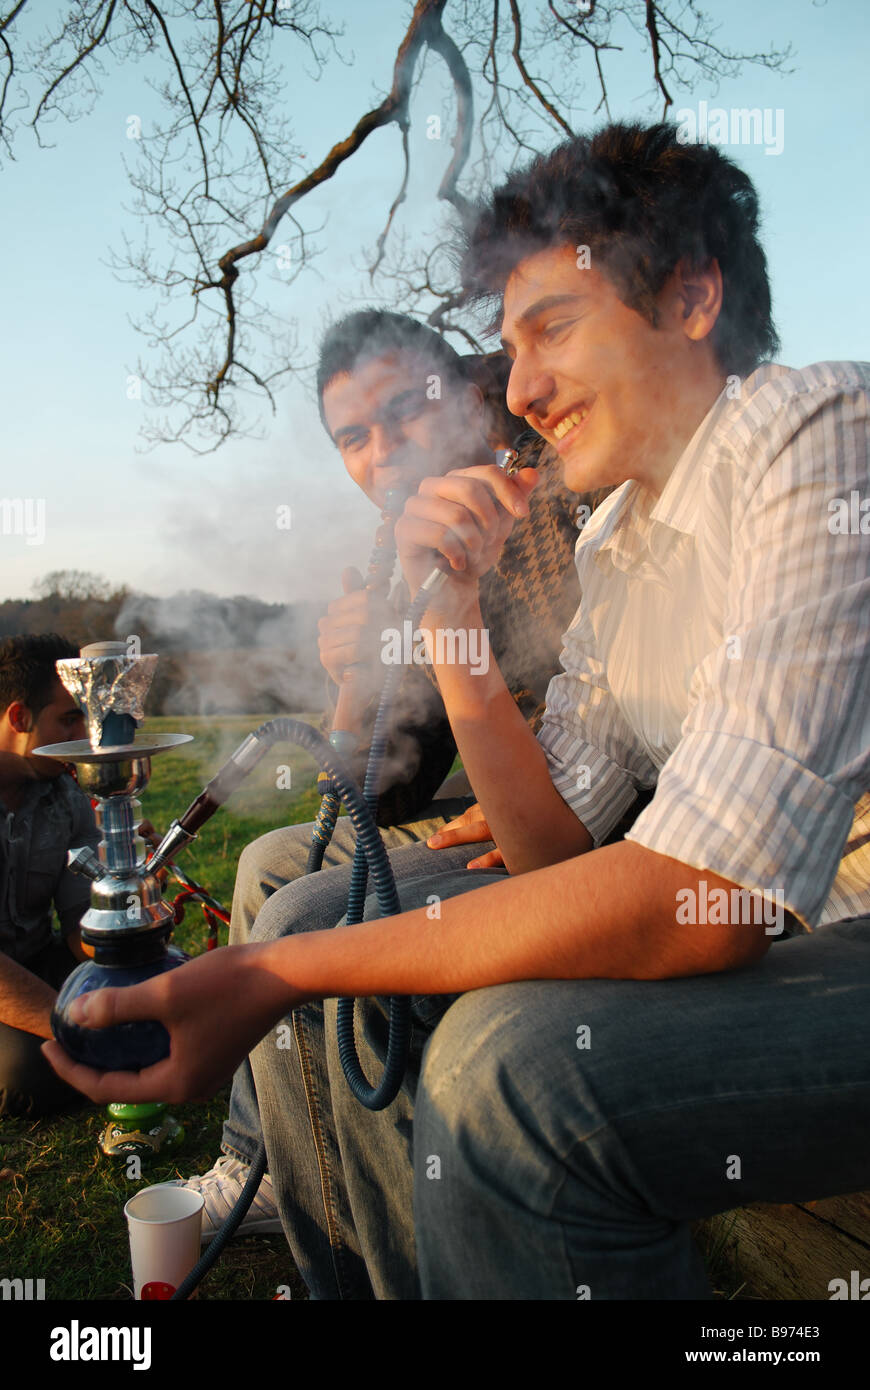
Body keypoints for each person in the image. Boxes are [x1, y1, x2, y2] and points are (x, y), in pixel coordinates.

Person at [46, 120, 870, 1300]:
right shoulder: (627, 540)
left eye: (553, 330)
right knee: (307, 923)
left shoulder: (820, 427)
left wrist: (280, 978)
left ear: (693, 294)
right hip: (762, 927)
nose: (520, 388)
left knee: (513, 1074)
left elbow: (715, 901)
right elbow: (552, 852)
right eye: (507, 347)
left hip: (841, 932)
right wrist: (450, 619)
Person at [174, 310, 588, 1239]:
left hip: (582, 829)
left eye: (407, 411)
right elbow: (380, 790)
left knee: (299, 909)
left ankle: (373, 1211)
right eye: (353, 438)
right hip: (495, 817)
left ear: (476, 401)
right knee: (273, 860)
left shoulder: (554, 490)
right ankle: (265, 1159)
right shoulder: (408, 543)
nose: (383, 453)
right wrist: (353, 680)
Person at [0, 633, 97, 1117]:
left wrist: (121, 936)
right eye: (70, 717)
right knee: (32, 1075)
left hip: (38, 960)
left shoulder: (65, 794)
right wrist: (72, 1023)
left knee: (170, 991)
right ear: (20, 718)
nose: (84, 735)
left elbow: (80, 925)